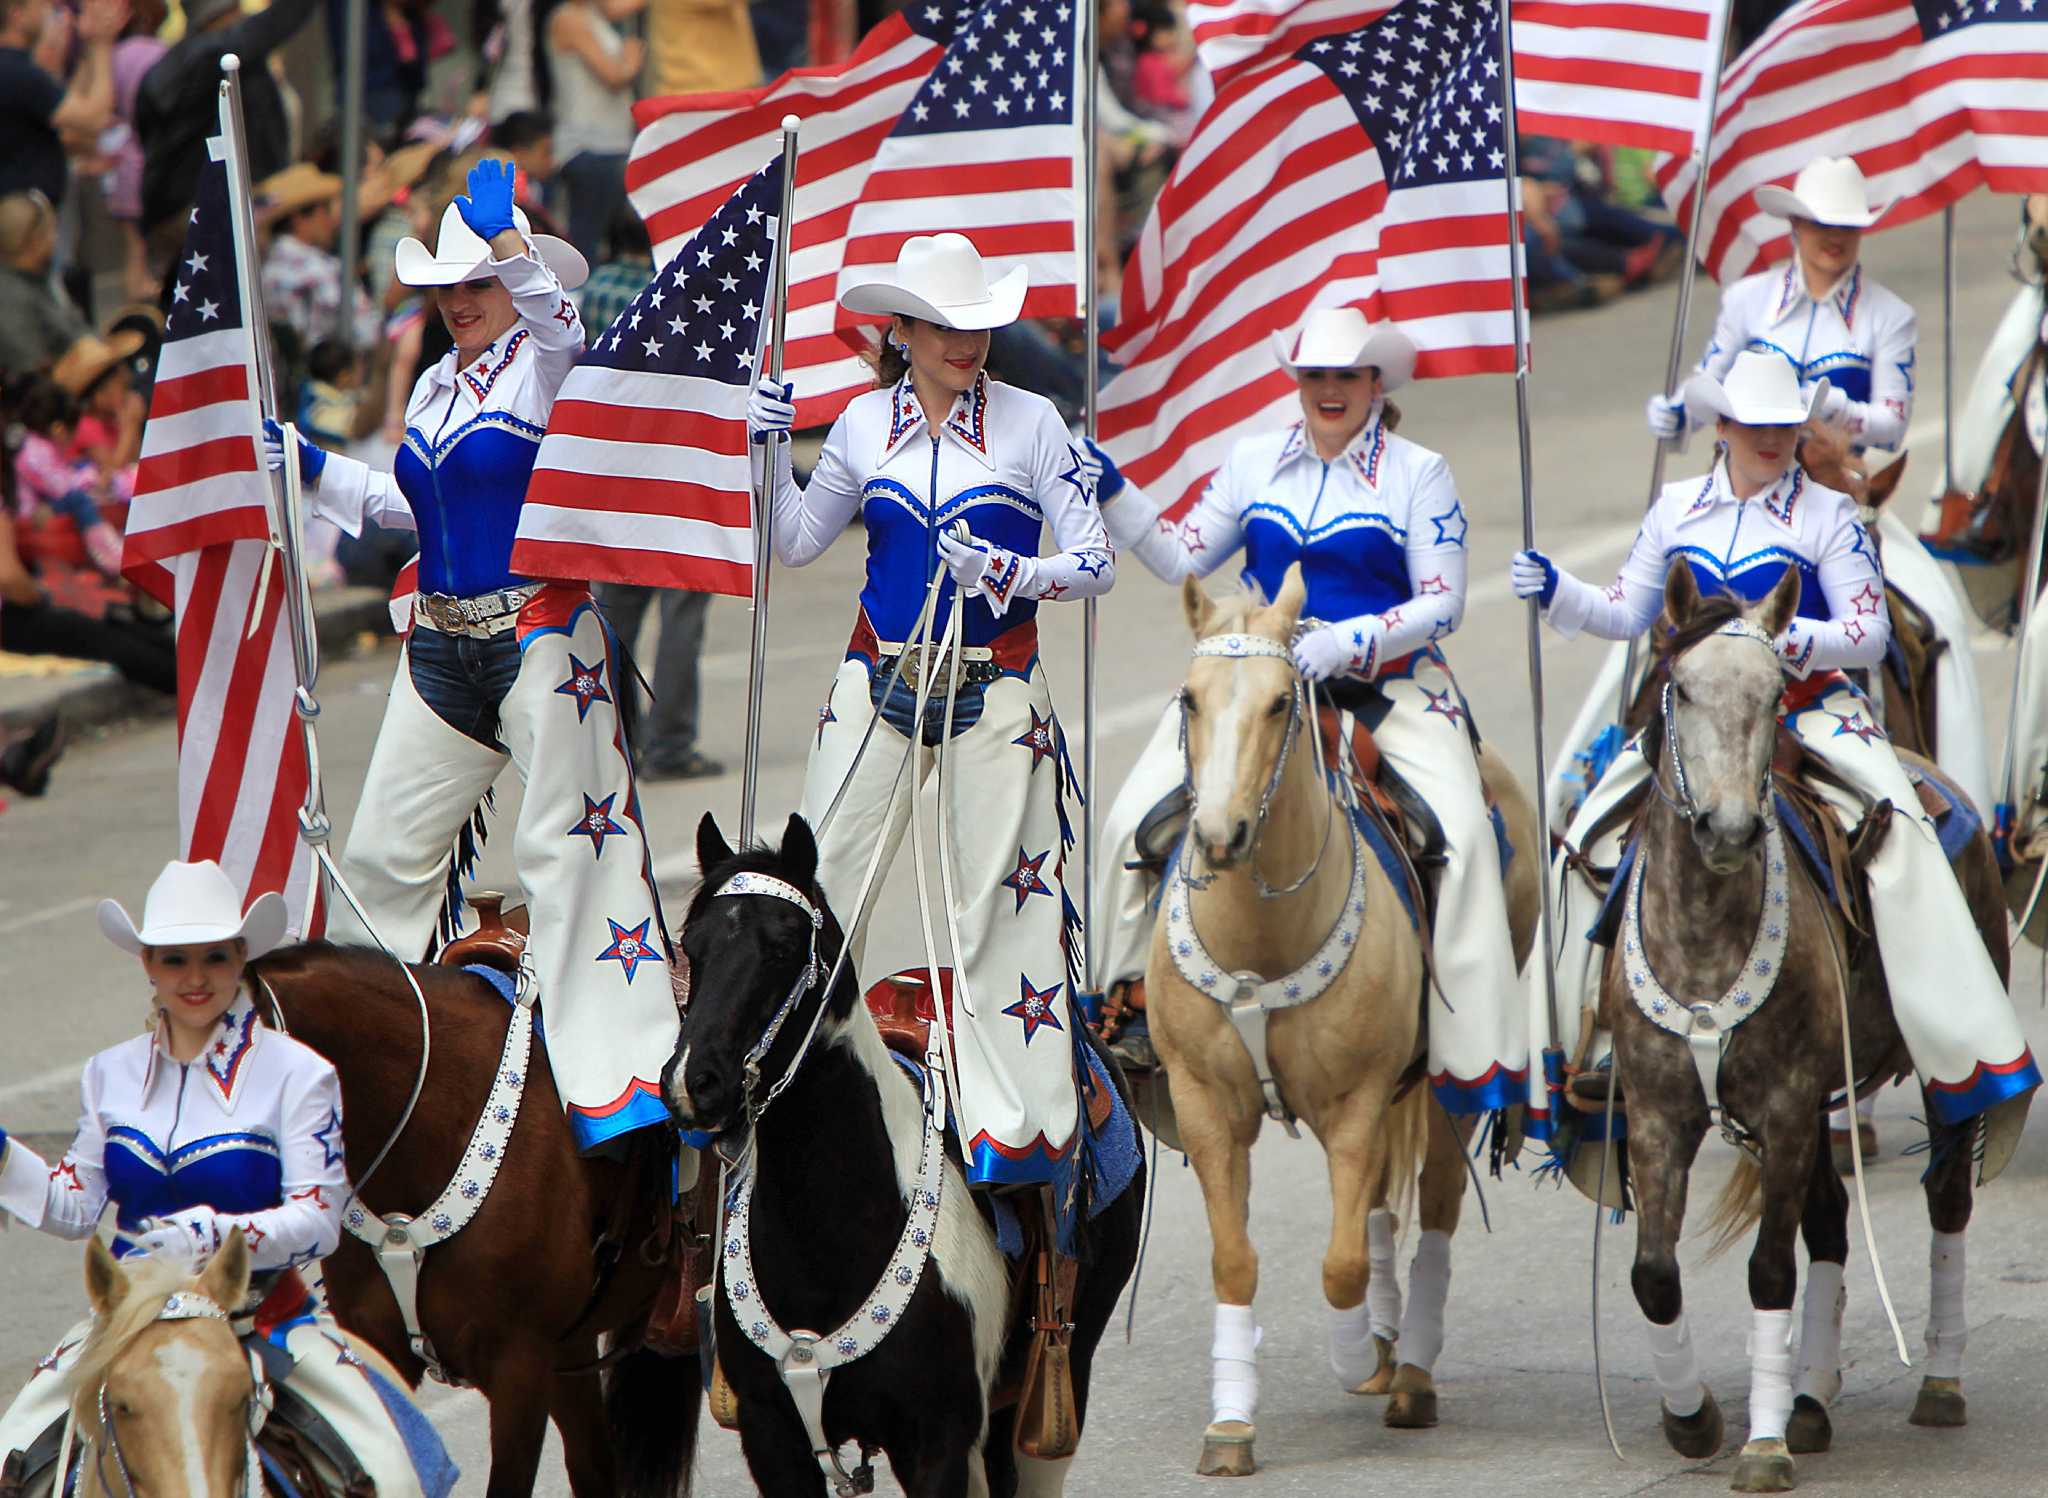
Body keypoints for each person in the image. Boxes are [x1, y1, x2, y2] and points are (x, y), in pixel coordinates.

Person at [1513, 352, 2040, 1163]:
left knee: (1905, 830)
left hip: (1809, 709)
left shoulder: (1829, 514)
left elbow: (1864, 633)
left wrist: (1776, 640)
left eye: (1783, 426)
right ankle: (1581, 1053)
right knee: (1584, 840)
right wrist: (1559, 592)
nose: (1770, 439)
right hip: (1695, 722)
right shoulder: (1676, 506)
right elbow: (1626, 612)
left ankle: (1955, 1037)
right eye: (1754, 425)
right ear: (1721, 427)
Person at [267, 158, 677, 1153]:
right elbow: (416, 508)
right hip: (444, 646)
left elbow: (565, 336)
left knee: (569, 859)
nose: (458, 301)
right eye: (447, 286)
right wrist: (312, 467)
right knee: (377, 862)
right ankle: (366, 1076)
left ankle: (611, 1089)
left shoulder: (545, 366)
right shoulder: (436, 386)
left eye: (477, 281)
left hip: (542, 638)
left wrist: (514, 251)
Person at [1085, 306, 1528, 1124]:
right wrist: (1109, 486)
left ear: (1374, 384)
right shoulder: (1253, 461)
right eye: (1315, 375)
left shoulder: (1417, 472)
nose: (1330, 390)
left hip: (1387, 688)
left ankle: (1470, 1044)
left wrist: (1349, 642)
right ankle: (1127, 1009)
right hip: (1254, 685)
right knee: (1125, 822)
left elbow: (1444, 601)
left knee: (1464, 835)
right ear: (1297, 383)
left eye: (1346, 376)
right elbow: (1185, 555)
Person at [745, 232, 1115, 1188]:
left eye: (979, 325)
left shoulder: (1036, 422)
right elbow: (793, 542)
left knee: (993, 912)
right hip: (878, 683)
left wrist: (1010, 571)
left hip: (996, 687)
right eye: (944, 326)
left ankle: (1015, 1138)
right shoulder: (866, 426)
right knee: (822, 886)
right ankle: (793, 1098)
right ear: (901, 329)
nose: (966, 343)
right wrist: (768, 445)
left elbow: (1095, 562)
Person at [1639, 153, 1984, 1153]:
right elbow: (1708, 374)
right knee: (1623, 726)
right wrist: (1682, 408)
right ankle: (1603, 1021)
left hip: (1839, 498)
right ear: (1791, 227)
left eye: (1846, 228)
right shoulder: (1747, 295)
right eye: (1818, 225)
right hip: (1731, 518)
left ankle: (1961, 804)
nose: (1832, 242)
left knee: (1938, 622)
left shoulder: (1885, 317)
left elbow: (1889, 417)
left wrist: (1808, 412)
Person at [0, 859, 452, 1498]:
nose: (195, 978)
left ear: (241, 958)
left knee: (396, 1478)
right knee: (7, 1459)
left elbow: (319, 1222)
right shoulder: (110, 1073)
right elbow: (74, 1208)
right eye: (174, 959)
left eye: (214, 957)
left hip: (263, 1322)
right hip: (128, 1326)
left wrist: (213, 1236)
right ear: (147, 966)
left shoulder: (299, 1074)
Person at [135, 0, 317, 270]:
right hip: (198, 205)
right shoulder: (211, 54)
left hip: (183, 204)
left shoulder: (177, 61)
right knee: (227, 293)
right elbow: (272, 24)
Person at [0, 0, 122, 210]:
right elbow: (95, 118)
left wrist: (87, 49)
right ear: (17, 15)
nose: (47, 14)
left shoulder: (18, 69)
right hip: (24, 216)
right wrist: (102, 46)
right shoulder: (18, 72)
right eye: (40, 7)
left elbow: (69, 119)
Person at [546, 0, 643, 257]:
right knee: (585, 244)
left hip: (612, 144)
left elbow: (620, 7)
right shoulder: (568, 18)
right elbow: (614, 75)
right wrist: (631, 60)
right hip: (588, 146)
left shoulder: (592, 12)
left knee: (608, 243)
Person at [258, 162, 376, 347]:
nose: (330, 220)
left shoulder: (262, 271)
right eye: (325, 211)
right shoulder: (323, 270)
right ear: (300, 219)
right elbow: (365, 333)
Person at [0, 191, 85, 374]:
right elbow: (30, 370)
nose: (55, 238)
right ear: (34, 242)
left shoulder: (38, 278)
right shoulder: (12, 299)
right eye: (51, 231)